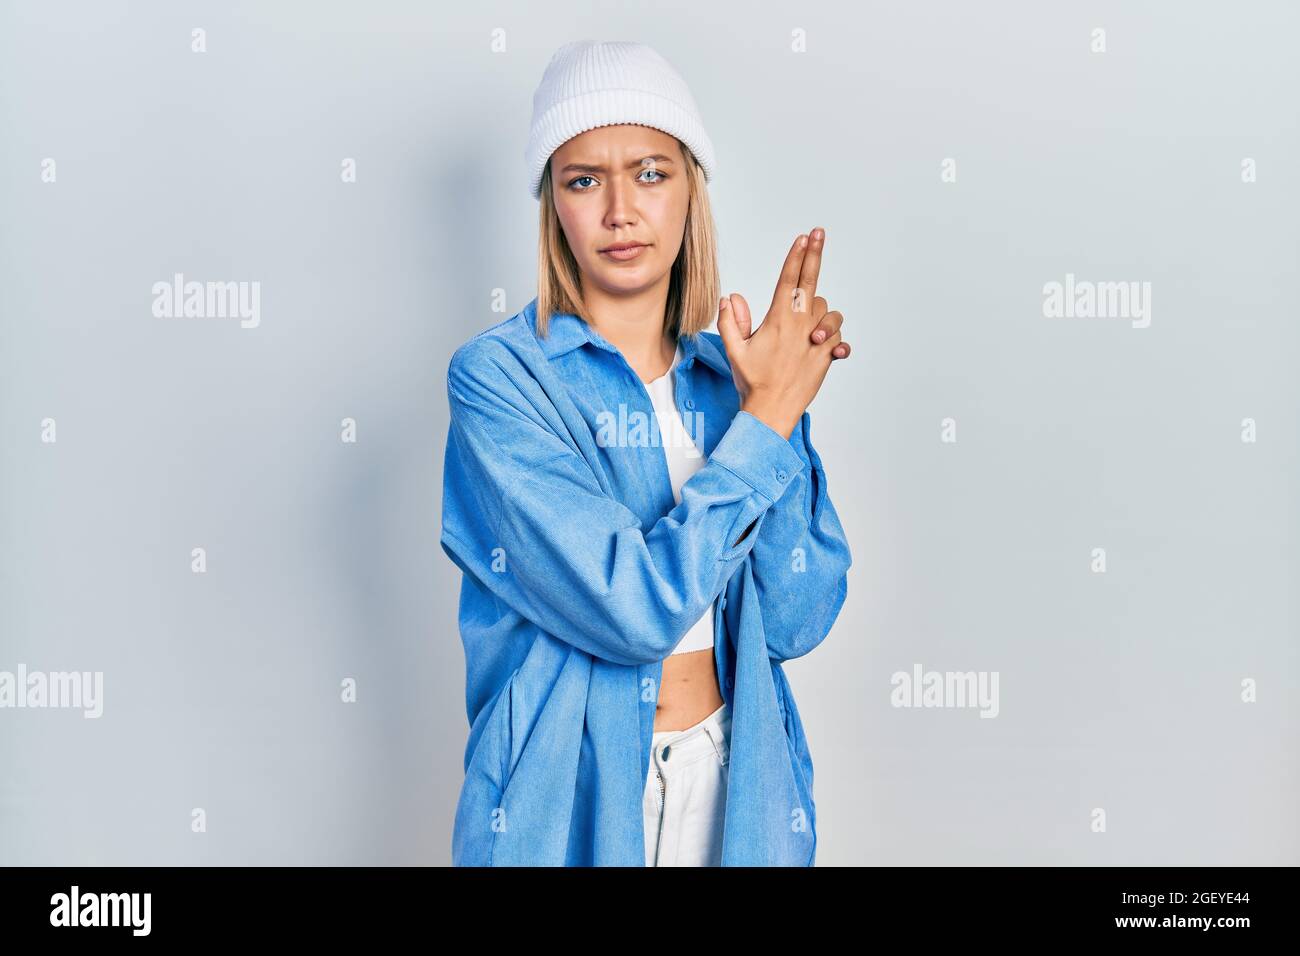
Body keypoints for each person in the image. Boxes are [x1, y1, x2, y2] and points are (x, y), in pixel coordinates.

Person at [440, 39, 853, 866]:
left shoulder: (728, 380)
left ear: (690, 189)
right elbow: (631, 608)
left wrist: (772, 410)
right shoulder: (501, 381)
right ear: (552, 203)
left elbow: (800, 617)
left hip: (738, 784)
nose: (619, 210)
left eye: (651, 172)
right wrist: (765, 425)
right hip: (568, 799)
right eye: (583, 179)